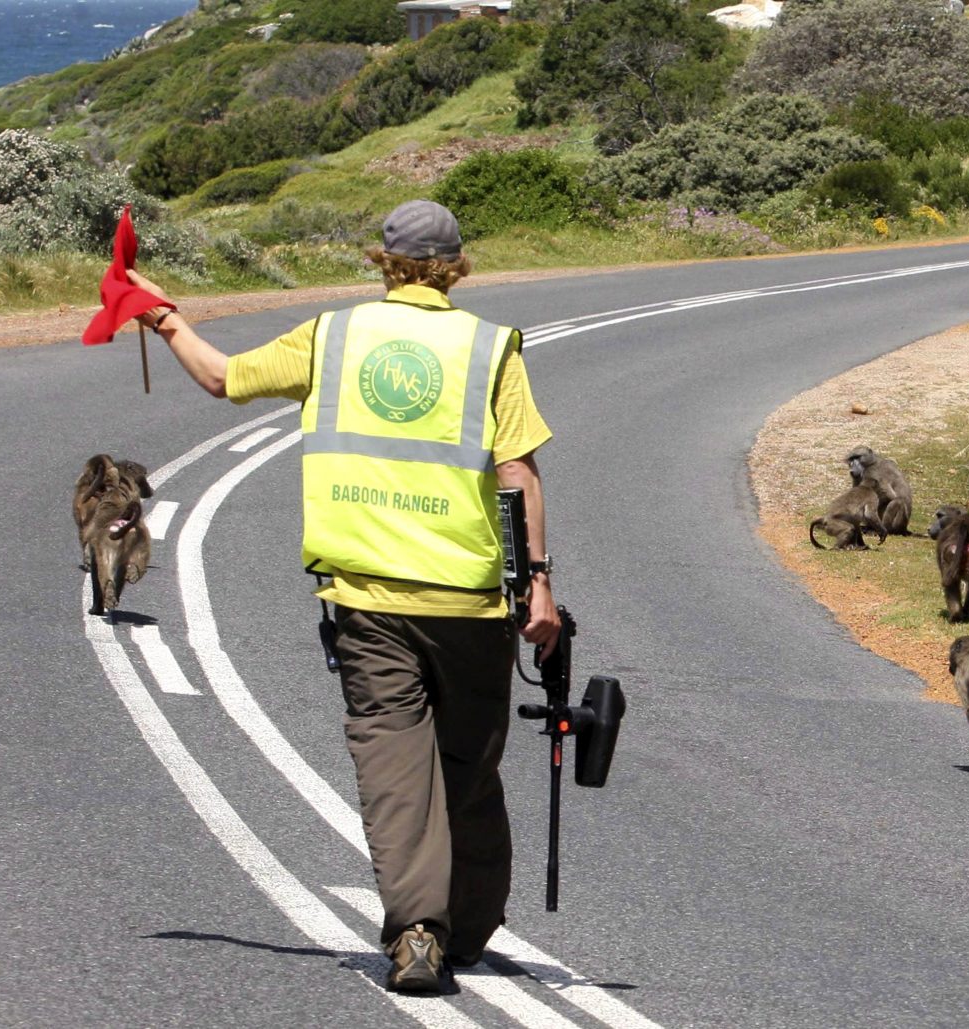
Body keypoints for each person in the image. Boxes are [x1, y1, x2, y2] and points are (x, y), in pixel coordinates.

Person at [127, 200, 562, 993]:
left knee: (396, 770)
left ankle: (418, 933)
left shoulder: (334, 336)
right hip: (469, 601)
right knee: (467, 768)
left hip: (367, 598)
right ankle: (464, 925)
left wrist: (161, 316)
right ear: (457, 265)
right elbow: (517, 472)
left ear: (385, 263)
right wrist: (538, 584)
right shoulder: (490, 348)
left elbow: (223, 377)